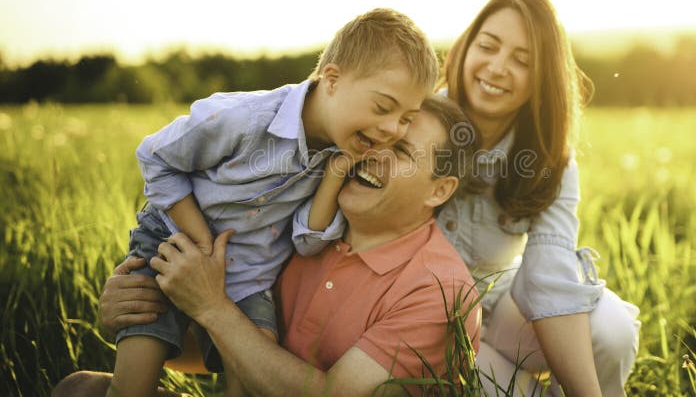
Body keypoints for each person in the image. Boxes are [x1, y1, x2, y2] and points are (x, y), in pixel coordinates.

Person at [106, 8, 439, 397]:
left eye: (406, 119)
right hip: (174, 243)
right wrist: (202, 246)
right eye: (384, 108)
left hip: (249, 274)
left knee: (250, 375)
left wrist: (335, 172)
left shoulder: (347, 149)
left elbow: (307, 241)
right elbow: (155, 157)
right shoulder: (244, 119)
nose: (391, 129)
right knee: (132, 383)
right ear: (331, 79)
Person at [53, 96, 481, 397]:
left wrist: (211, 306)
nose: (372, 154)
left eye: (401, 151)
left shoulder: (439, 290)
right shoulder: (301, 224)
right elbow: (231, 347)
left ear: (438, 190)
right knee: (80, 389)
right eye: (375, 139)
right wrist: (139, 310)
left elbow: (333, 395)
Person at [436, 0, 641, 396]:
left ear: (541, 78)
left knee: (611, 331)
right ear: (466, 47)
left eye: (521, 60)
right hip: (422, 320)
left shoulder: (549, 160)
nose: (497, 68)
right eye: (488, 47)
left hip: (500, 306)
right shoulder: (417, 124)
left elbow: (549, 274)